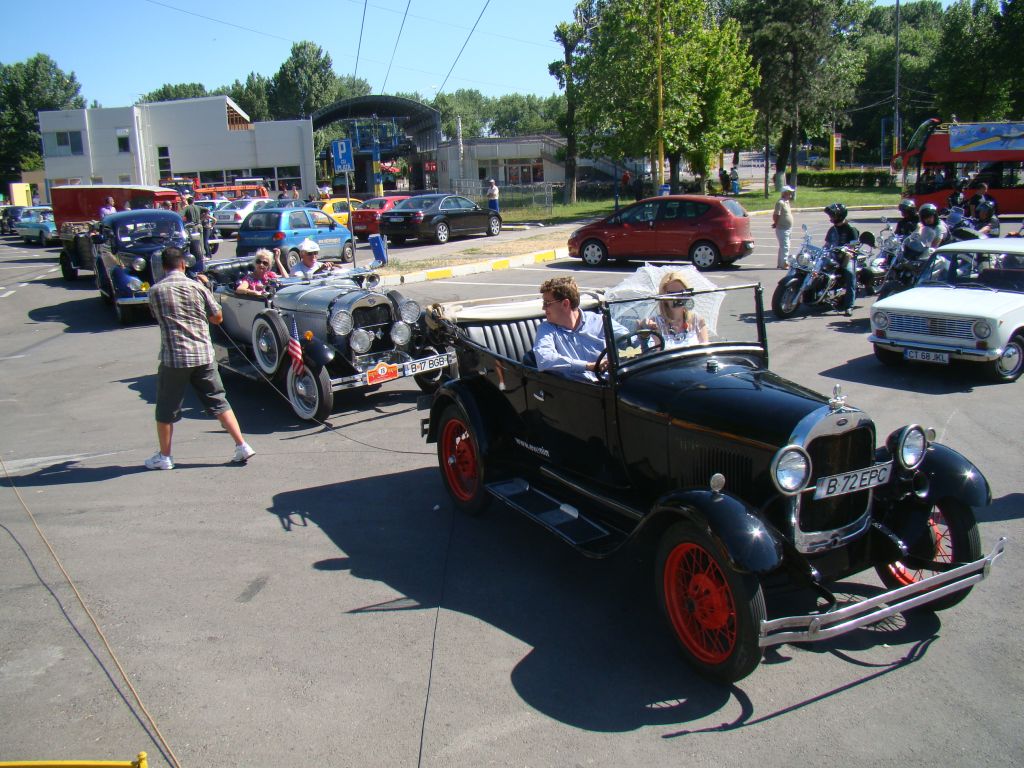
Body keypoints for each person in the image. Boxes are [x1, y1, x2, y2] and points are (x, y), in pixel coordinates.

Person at [145, 246, 254, 470]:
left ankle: (165, 456)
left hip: (174, 357)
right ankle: (241, 444)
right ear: (184, 264)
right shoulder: (197, 287)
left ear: (163, 267)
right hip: (203, 353)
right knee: (218, 400)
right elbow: (217, 317)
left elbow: (155, 315)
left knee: (166, 408)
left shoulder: (156, 291)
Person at [533, 276, 628, 382]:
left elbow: (628, 339)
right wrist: (588, 366)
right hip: (578, 390)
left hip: (610, 383)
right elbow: (544, 359)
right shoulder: (546, 328)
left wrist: (644, 334)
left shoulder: (598, 320)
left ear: (565, 304)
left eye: (547, 303)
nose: (543, 308)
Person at [646, 271, 708, 347]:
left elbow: (706, 351)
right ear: (664, 298)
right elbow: (657, 353)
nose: (677, 298)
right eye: (672, 294)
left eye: (681, 293)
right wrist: (644, 326)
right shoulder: (655, 323)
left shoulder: (697, 321)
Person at [823, 202, 859, 316]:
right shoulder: (832, 229)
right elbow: (827, 244)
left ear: (840, 216)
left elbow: (853, 245)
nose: (831, 218)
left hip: (847, 257)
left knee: (849, 274)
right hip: (833, 255)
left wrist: (847, 249)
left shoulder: (850, 229)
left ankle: (849, 306)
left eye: (833, 216)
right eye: (831, 216)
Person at [772, 185, 795, 268]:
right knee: (785, 246)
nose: (791, 194)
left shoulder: (786, 202)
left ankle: (780, 263)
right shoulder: (780, 202)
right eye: (789, 193)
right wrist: (776, 223)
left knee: (784, 246)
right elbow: (776, 215)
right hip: (782, 228)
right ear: (784, 193)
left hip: (788, 228)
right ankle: (784, 263)